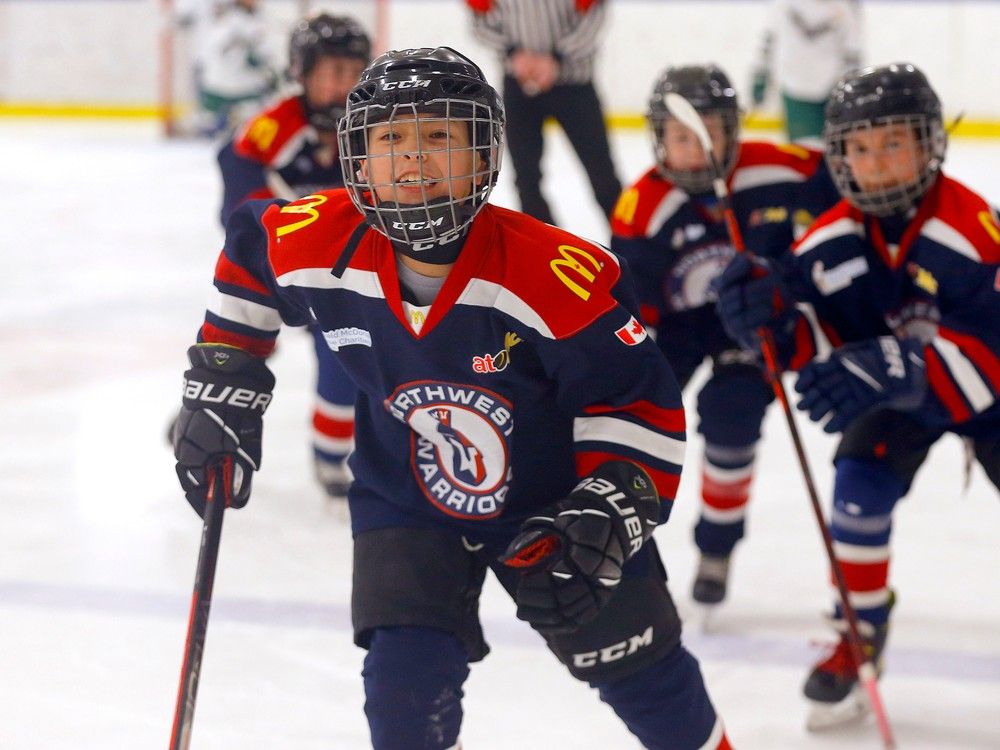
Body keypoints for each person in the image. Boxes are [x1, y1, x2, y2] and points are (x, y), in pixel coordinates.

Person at [172, 46, 732, 750]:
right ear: (359, 157)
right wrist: (225, 376)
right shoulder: (319, 237)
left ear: (483, 152)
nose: (412, 159)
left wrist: (612, 505)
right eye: (390, 139)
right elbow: (251, 257)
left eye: (440, 136)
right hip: (407, 496)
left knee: (651, 687)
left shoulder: (554, 274)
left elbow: (635, 401)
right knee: (404, 704)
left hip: (555, 507)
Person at [713, 62, 1000, 724]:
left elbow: (990, 361)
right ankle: (861, 630)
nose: (878, 163)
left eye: (894, 142)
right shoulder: (827, 238)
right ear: (839, 158)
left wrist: (900, 366)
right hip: (899, 390)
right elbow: (816, 334)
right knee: (857, 491)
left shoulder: (972, 230)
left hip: (984, 396)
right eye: (860, 148)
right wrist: (769, 320)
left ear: (930, 143)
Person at [610, 64, 841, 607]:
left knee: (732, 414)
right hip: (676, 328)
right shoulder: (642, 207)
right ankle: (615, 537)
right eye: (682, 136)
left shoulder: (779, 168)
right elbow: (633, 306)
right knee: (637, 419)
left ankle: (716, 547)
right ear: (660, 140)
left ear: (732, 130)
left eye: (709, 131)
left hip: (753, 320)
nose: (697, 147)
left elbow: (851, 187)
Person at [216, 13, 371, 497]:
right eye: (329, 72)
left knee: (344, 350)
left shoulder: (373, 127)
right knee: (237, 341)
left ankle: (331, 455)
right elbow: (238, 188)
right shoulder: (273, 129)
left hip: (338, 269)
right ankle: (203, 409)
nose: (341, 84)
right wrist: (271, 250)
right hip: (271, 261)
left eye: (351, 72)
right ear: (302, 74)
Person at [467, 0, 622, 227]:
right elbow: (480, 20)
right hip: (518, 84)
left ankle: (632, 245)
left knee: (602, 174)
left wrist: (556, 58)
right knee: (526, 179)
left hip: (575, 84)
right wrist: (514, 55)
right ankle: (544, 249)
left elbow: (594, 15)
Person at [751, 0, 863, 145]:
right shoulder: (783, 5)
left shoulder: (842, 9)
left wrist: (853, 86)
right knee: (800, 151)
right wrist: (761, 76)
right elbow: (768, 42)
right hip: (794, 89)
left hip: (829, 91)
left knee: (832, 148)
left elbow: (852, 52)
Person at [197, 0, 279, 137]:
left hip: (236, 87)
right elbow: (212, 52)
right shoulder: (228, 20)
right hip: (229, 87)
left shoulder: (256, 20)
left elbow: (267, 54)